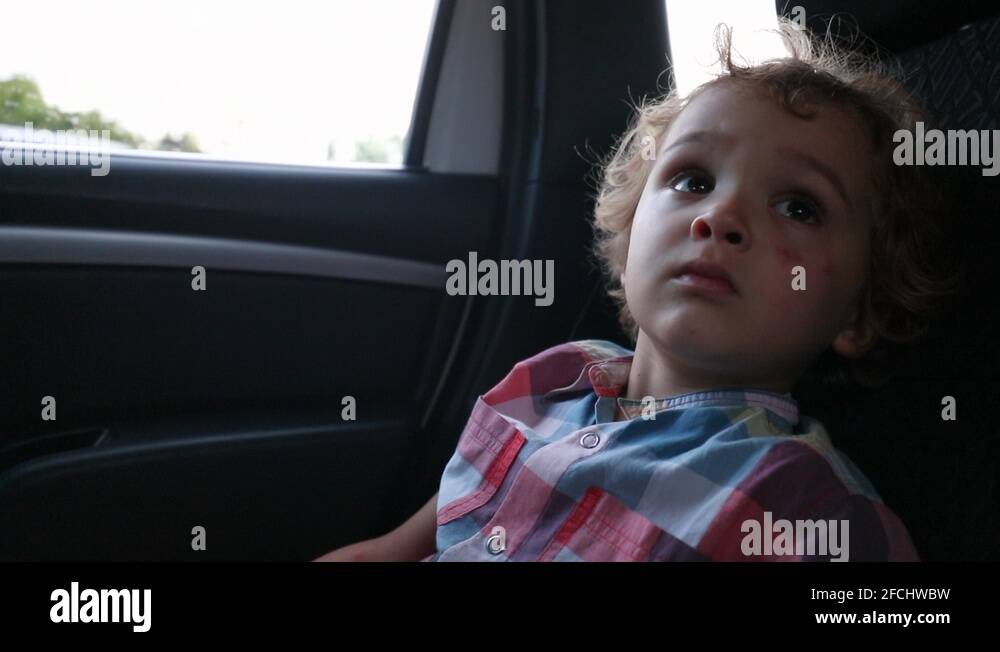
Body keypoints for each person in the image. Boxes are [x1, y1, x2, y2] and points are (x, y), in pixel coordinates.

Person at [316, 19, 956, 562]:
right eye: (691, 180)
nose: (719, 218)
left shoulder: (807, 506)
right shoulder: (550, 381)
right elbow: (395, 550)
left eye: (798, 206)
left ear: (857, 311)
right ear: (629, 240)